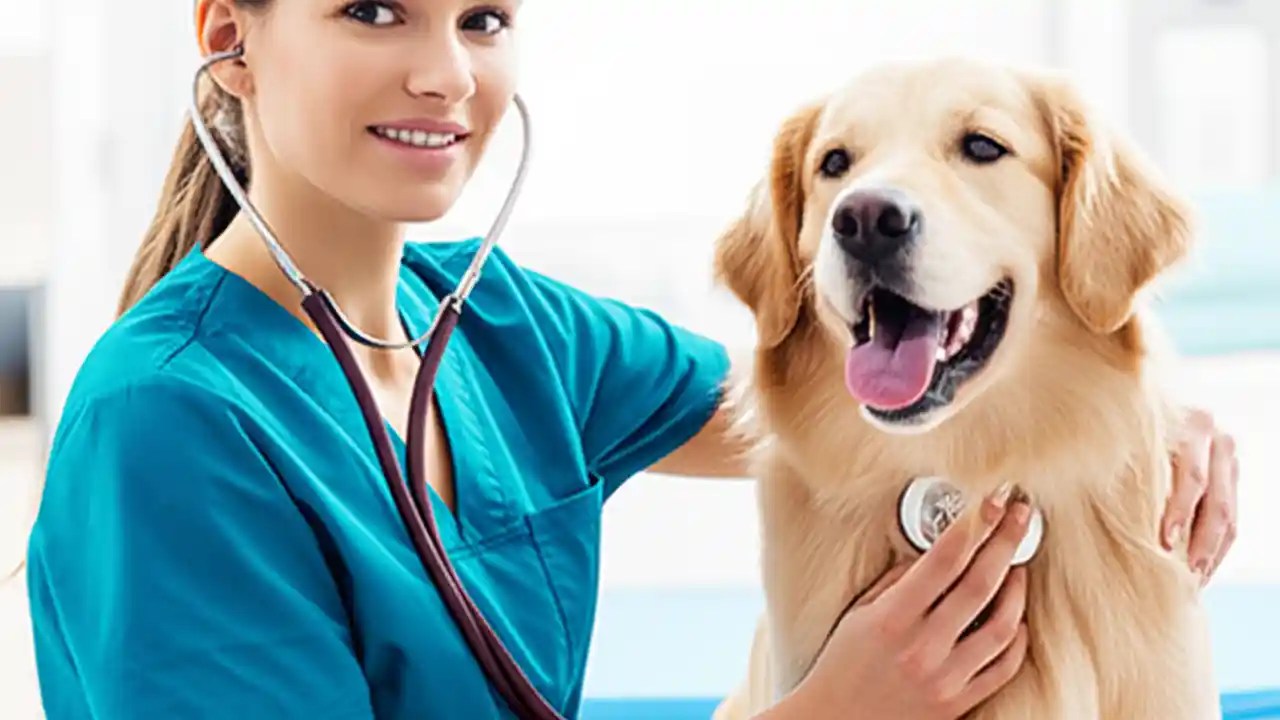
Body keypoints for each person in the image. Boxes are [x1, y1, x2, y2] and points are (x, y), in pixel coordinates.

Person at [24, 1, 1241, 718]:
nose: (443, 72)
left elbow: (817, 393)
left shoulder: (502, 327)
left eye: (481, 19)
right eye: (373, 9)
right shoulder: (166, 426)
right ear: (230, 38)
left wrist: (1149, 401)